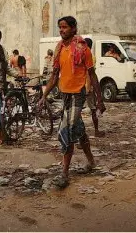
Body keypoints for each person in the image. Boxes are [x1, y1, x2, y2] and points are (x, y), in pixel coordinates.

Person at [40, 16, 105, 189]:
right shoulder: (59, 48)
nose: (61, 30)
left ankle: (64, 174)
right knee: (78, 130)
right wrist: (43, 96)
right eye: (59, 27)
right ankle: (91, 162)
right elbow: (54, 75)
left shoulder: (83, 49)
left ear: (74, 28)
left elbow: (92, 75)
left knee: (66, 130)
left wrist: (100, 100)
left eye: (64, 27)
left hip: (78, 94)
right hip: (65, 95)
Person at [84, 38, 104, 137]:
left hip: (83, 87)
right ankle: (96, 131)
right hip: (85, 87)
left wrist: (88, 87)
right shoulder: (90, 56)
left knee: (80, 112)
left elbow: (89, 73)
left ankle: (82, 136)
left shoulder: (88, 56)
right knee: (92, 110)